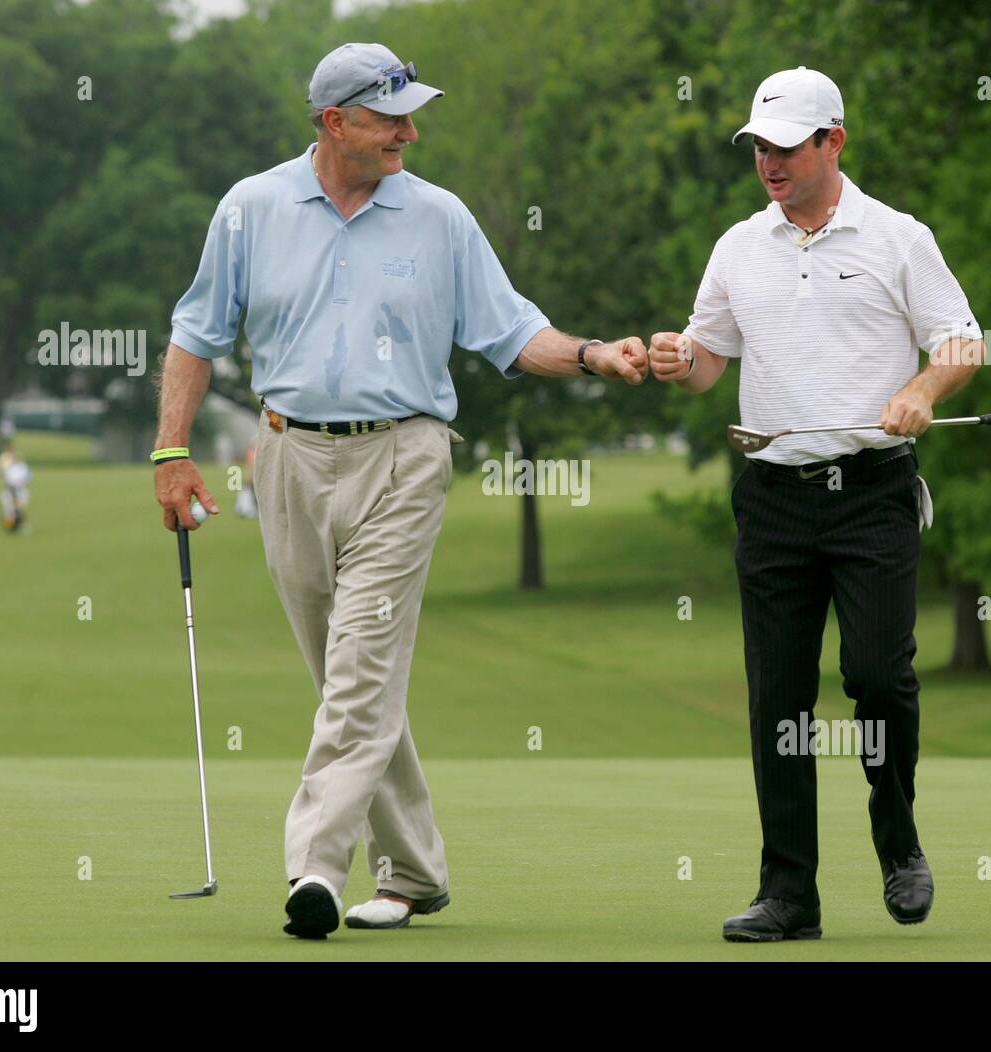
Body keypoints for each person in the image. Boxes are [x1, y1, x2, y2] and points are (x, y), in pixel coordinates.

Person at [152, 42, 647, 940]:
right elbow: (196, 332)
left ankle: (313, 864)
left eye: (411, 115)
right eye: (390, 119)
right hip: (287, 461)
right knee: (347, 678)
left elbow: (511, 331)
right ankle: (415, 871)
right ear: (334, 122)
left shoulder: (441, 217)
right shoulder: (250, 209)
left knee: (359, 669)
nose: (409, 133)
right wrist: (169, 451)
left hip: (404, 459)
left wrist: (592, 356)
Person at [649, 67, 985, 941]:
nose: (769, 161)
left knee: (877, 677)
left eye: (786, 146)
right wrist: (676, 358)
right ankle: (788, 894)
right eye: (760, 146)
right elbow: (709, 363)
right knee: (778, 701)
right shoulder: (737, 247)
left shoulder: (898, 238)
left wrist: (922, 390)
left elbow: (960, 339)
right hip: (773, 496)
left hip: (871, 491)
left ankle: (899, 840)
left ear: (833, 141)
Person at [0, 443, 32, 534]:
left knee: (19, 509)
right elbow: (5, 479)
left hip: (21, 490)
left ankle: (17, 525)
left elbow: (28, 478)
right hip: (11, 490)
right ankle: (11, 525)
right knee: (11, 509)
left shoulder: (23, 467)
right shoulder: (9, 467)